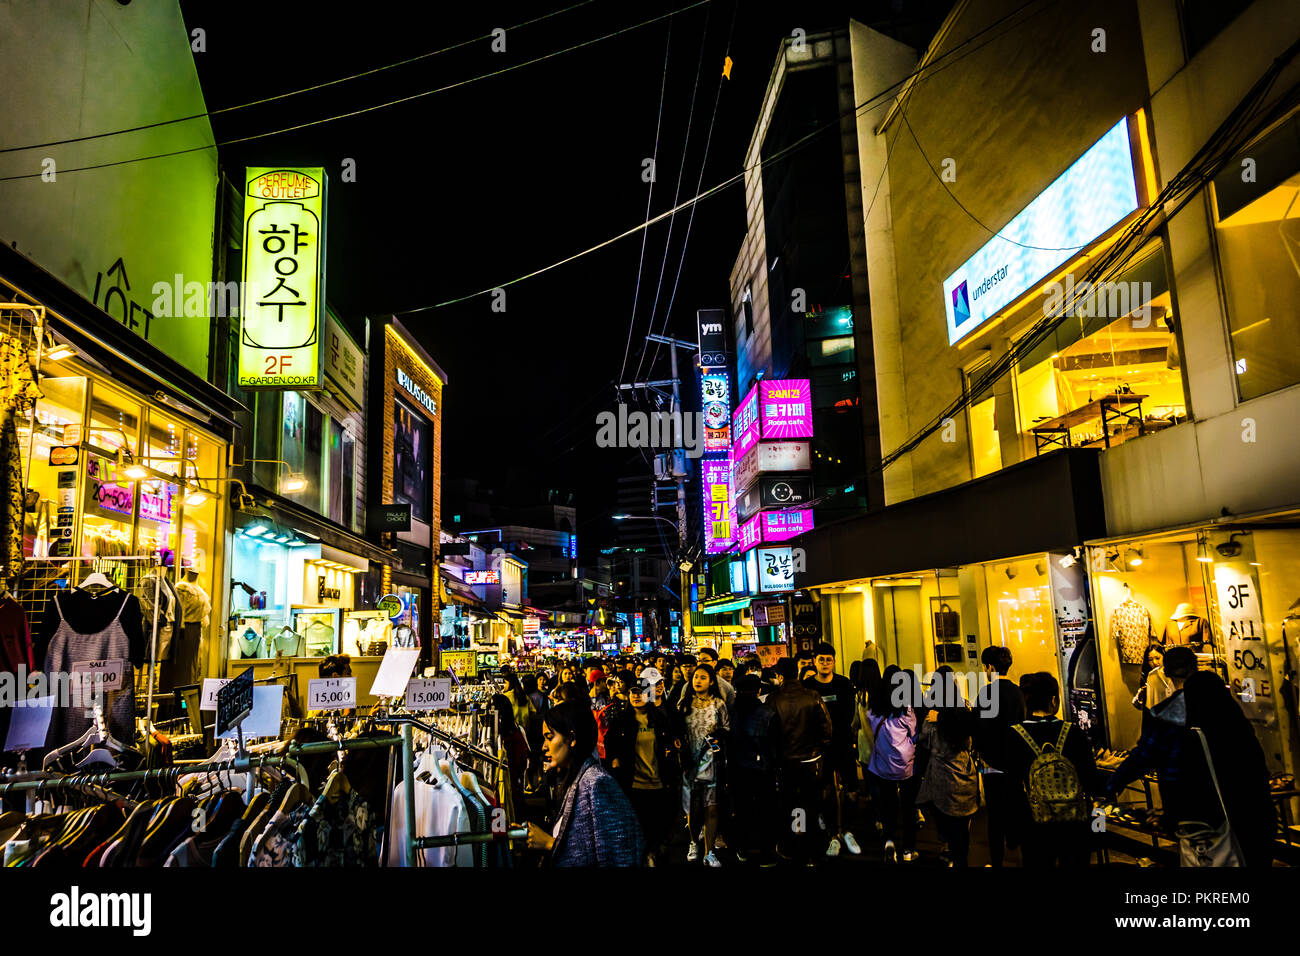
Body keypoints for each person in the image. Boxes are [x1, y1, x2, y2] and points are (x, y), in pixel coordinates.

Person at [523, 702, 644, 866]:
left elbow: (617, 857)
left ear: (572, 739)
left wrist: (549, 844)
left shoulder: (597, 783)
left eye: (549, 737)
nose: (544, 746)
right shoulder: (576, 780)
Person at [1178, 670, 1275, 866]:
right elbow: (1259, 772)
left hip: (1222, 827)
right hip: (1257, 819)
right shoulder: (1239, 726)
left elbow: (1190, 787)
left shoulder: (1194, 737)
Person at [1002, 672, 1096, 868]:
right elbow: (1091, 780)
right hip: (1074, 824)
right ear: (1054, 700)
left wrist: (1013, 833)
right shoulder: (1073, 732)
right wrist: (1097, 827)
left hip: (1034, 825)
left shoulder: (1014, 735)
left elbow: (1011, 789)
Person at [607, 674, 682, 865]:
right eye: (633, 692)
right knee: (637, 825)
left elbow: (672, 745)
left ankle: (654, 852)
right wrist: (615, 760)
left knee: (658, 824)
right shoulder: (621, 721)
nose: (636, 696)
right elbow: (611, 744)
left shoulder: (660, 720)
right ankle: (644, 855)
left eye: (640, 692)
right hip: (633, 783)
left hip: (659, 782)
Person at [768, 656, 831, 864]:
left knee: (790, 804)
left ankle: (792, 845)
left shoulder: (773, 699)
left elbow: (770, 734)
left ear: (779, 675)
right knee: (810, 804)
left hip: (785, 762)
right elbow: (827, 729)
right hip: (811, 761)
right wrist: (818, 748)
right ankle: (811, 850)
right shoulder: (812, 695)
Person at [803, 642, 861, 857]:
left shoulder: (844, 684)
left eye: (829, 659)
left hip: (843, 744)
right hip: (819, 748)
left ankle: (848, 831)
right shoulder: (807, 685)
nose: (825, 663)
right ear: (814, 662)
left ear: (834, 661)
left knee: (851, 791)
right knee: (825, 791)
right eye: (821, 659)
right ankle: (832, 835)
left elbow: (848, 715)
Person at [974, 645, 1026, 867]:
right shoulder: (1018, 692)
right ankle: (1017, 846)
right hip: (1015, 761)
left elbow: (979, 727)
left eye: (984, 666)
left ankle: (996, 861)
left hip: (991, 763)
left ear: (990, 667)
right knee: (1015, 804)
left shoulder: (986, 693)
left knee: (994, 814)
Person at [678, 662, 729, 866]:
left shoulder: (719, 704)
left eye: (702, 677)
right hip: (689, 764)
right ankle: (693, 842)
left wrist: (717, 738)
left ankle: (709, 851)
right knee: (692, 809)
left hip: (712, 764)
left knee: (711, 809)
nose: (697, 680)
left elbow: (727, 729)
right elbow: (677, 731)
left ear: (711, 682)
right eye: (696, 677)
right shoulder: (684, 703)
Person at [915, 700, 979, 866]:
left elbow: (924, 740)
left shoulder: (933, 718)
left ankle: (950, 849)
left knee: (946, 821)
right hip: (967, 776)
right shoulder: (964, 716)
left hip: (943, 779)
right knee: (962, 828)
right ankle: (959, 855)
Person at [867, 665, 920, 863]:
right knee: (908, 807)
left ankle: (889, 842)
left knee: (888, 805)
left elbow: (871, 731)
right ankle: (908, 849)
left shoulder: (874, 707)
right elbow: (913, 734)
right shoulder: (905, 707)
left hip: (883, 765)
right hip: (906, 765)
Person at [729, 672, 781, 864]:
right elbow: (775, 746)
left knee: (742, 810)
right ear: (759, 690)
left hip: (738, 770)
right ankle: (765, 851)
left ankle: (742, 847)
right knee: (765, 811)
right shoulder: (768, 714)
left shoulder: (732, 711)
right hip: (762, 770)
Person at [1133, 644, 1174, 713]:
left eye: (1157, 658)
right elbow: (1139, 705)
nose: (1154, 662)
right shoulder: (1148, 676)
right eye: (1150, 659)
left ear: (1164, 657)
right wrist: (1141, 694)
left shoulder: (1173, 674)